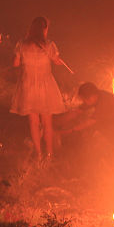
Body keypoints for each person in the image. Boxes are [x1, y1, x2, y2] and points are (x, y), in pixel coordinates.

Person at [10, 17, 70, 162]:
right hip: (45, 86)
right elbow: (56, 61)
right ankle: (49, 155)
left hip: (28, 86)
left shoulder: (22, 44)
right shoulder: (49, 45)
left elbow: (16, 64)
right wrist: (59, 61)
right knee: (47, 122)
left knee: (33, 122)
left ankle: (38, 154)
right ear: (44, 30)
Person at [58, 81, 114, 156]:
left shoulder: (104, 102)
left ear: (92, 97)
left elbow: (89, 123)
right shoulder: (97, 96)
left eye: (85, 99)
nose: (84, 102)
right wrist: (59, 122)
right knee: (100, 128)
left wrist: (70, 131)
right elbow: (78, 111)